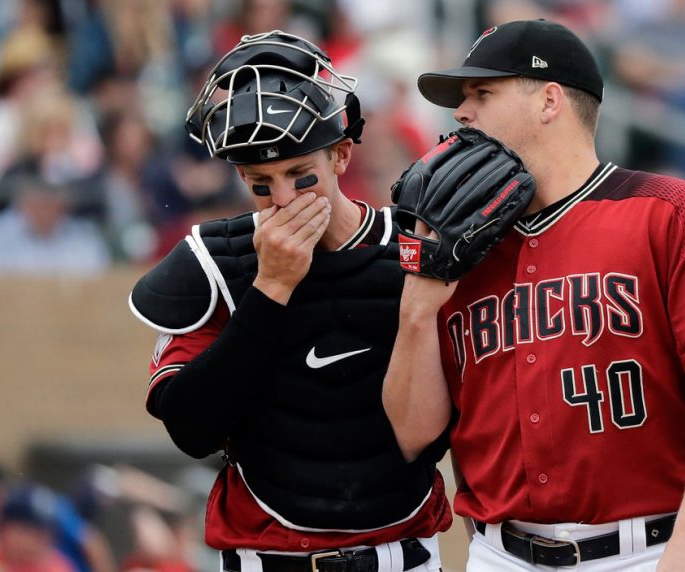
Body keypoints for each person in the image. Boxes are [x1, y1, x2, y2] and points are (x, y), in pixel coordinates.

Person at [383, 19, 685, 571]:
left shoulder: (669, 211)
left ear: (549, 101)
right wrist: (416, 310)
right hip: (501, 555)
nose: (461, 113)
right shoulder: (456, 247)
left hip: (648, 550)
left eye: (482, 93)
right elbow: (412, 437)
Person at [128, 30, 451, 571]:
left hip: (403, 553)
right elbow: (192, 429)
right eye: (261, 182)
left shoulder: (418, 246)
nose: (282, 200)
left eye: (301, 176)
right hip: (266, 555)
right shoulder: (213, 260)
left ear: (342, 154)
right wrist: (271, 287)